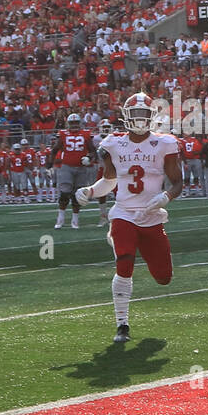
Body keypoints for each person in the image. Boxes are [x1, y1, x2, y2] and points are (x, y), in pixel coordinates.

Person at [75, 92, 183, 344]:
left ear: (151, 116)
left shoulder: (165, 143)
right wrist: (91, 191)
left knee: (164, 278)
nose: (139, 119)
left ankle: (123, 241)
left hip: (151, 216)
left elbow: (177, 182)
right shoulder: (113, 143)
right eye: (135, 114)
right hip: (123, 213)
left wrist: (165, 197)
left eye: (144, 114)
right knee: (124, 262)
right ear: (126, 116)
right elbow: (109, 180)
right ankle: (122, 324)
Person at [51, 112, 96, 229]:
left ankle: (75, 220)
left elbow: (93, 151)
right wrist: (51, 165)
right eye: (72, 123)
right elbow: (55, 149)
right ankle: (60, 218)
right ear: (68, 124)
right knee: (65, 192)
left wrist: (89, 157)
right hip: (66, 167)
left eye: (76, 122)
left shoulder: (86, 134)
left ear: (80, 123)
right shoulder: (63, 134)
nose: (74, 125)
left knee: (78, 194)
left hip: (81, 168)